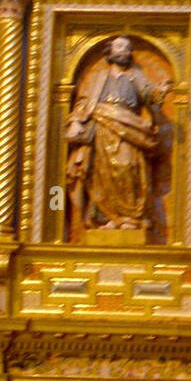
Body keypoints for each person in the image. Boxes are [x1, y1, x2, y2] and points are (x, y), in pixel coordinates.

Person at [65, 35, 170, 233]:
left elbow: (150, 96)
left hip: (129, 128)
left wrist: (160, 91)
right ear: (110, 52)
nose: (125, 51)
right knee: (100, 175)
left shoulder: (135, 76)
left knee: (128, 168)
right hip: (101, 128)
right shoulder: (98, 78)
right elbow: (83, 102)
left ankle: (130, 217)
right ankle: (107, 218)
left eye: (128, 48)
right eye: (120, 47)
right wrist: (76, 121)